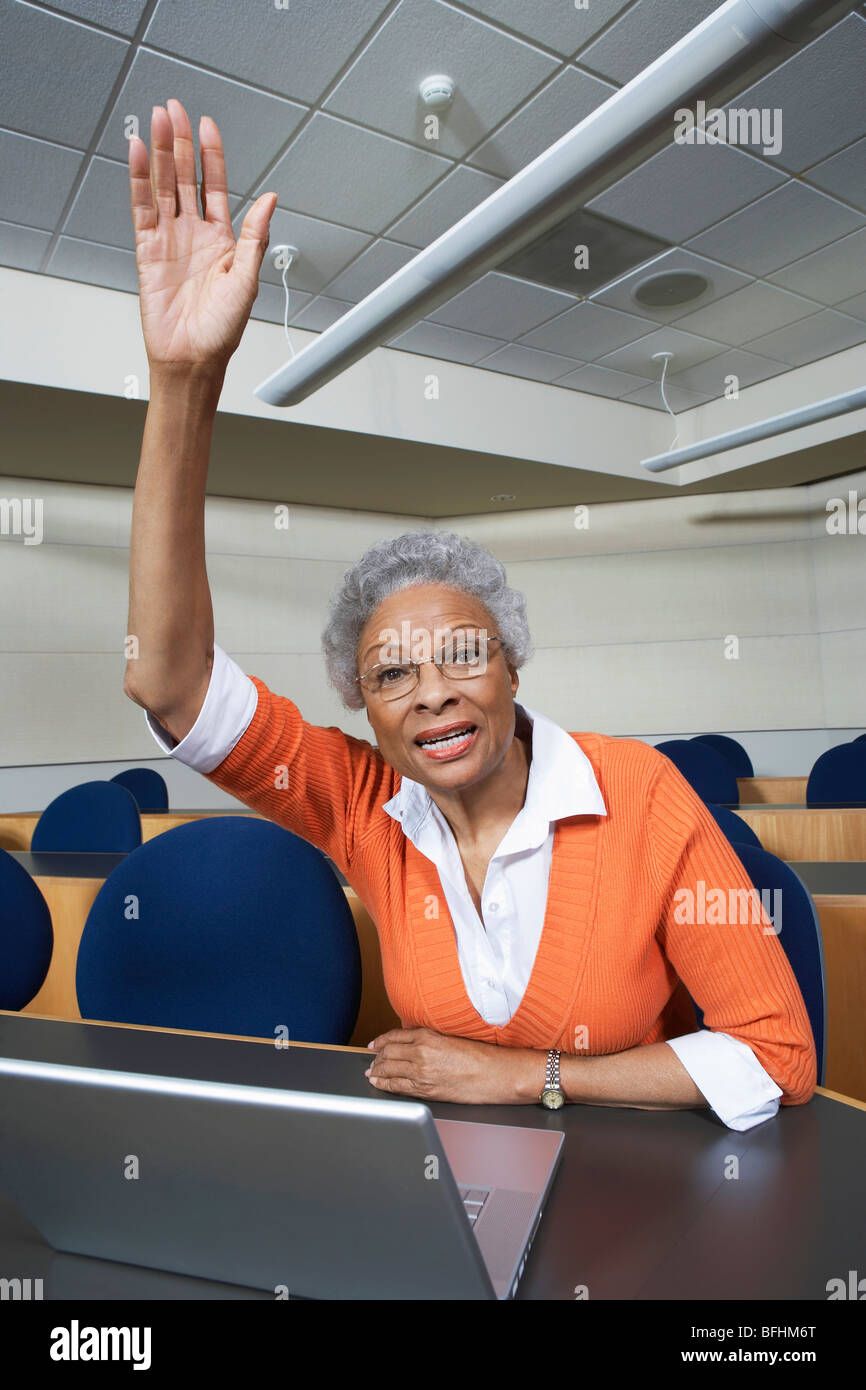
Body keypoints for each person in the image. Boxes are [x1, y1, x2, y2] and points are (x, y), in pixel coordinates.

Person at [124, 100, 816, 1128]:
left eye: (459, 655)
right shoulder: (363, 808)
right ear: (362, 706)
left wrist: (529, 1076)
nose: (432, 691)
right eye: (390, 673)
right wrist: (184, 382)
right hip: (450, 1196)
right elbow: (169, 680)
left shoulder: (640, 794)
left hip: (638, 1206)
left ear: (510, 668)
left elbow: (774, 1056)